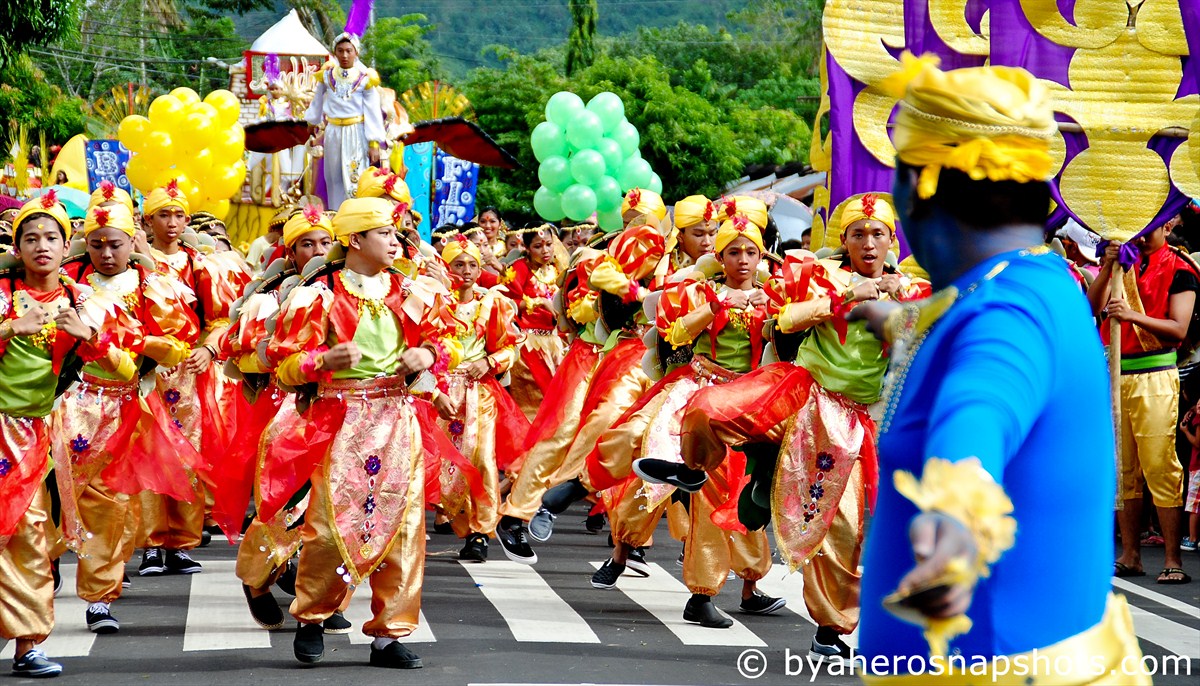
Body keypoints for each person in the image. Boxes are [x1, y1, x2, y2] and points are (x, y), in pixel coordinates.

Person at [846, 54, 1149, 682]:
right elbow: (965, 330)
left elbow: (979, 410)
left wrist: (955, 520)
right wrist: (898, 320)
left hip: (990, 666)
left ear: (919, 185)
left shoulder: (1005, 312)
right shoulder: (1038, 279)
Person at [640, 193, 930, 662]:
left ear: (891, 240)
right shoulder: (819, 274)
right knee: (709, 407)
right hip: (800, 392)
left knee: (842, 530)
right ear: (845, 241)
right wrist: (845, 297)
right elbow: (785, 320)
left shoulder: (914, 290)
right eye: (858, 234)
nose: (868, 243)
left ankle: (829, 631)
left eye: (877, 234)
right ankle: (692, 468)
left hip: (851, 421)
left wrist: (901, 302)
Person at [265, 196, 465, 668]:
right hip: (340, 420)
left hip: (397, 419)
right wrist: (321, 361)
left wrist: (428, 356)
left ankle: (389, 634)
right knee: (329, 526)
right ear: (355, 239)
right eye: (385, 233)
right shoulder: (318, 294)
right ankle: (312, 617)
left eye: (396, 233)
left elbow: (447, 340)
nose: (396, 242)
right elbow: (282, 364)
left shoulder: (411, 290)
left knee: (404, 527)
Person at [590, 214, 781, 626]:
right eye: (733, 252)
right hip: (699, 397)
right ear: (720, 257)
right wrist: (715, 307)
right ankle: (638, 559)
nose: (743, 260)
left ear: (761, 256)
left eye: (750, 252)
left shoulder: (775, 295)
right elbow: (674, 335)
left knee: (745, 491)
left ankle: (749, 586)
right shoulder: (699, 290)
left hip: (750, 403)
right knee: (657, 476)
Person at [56, 202, 202, 635]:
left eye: (115, 244)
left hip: (125, 407)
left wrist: (122, 340)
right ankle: (48, 558)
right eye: (96, 244)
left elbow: (177, 345)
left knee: (111, 504)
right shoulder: (67, 283)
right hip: (68, 402)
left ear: (131, 241)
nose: (106, 253)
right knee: (54, 496)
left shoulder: (152, 286)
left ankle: (100, 596)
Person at [0, 193, 129, 678]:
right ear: (17, 248)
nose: (41, 246)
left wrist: (90, 337)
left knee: (30, 535)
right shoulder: (3, 294)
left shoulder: (82, 301)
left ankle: (27, 644)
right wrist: (10, 328)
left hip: (38, 434)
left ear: (64, 245)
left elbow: (126, 366)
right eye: (30, 238)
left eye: (51, 237)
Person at [138, 179, 251, 576]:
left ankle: (181, 543)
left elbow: (221, 318)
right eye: (163, 215)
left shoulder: (200, 263)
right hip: (148, 370)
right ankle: (151, 544)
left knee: (189, 454)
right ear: (147, 221)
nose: (171, 223)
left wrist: (210, 349)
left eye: (178, 215)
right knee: (151, 454)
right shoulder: (135, 263)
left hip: (188, 371)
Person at [1089, 213, 1196, 585]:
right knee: (1123, 469)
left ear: (1168, 225)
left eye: (1151, 223)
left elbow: (1178, 329)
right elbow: (1092, 308)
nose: (1142, 232)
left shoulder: (1180, 267)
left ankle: (1172, 559)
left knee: (1159, 466)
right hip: (1115, 375)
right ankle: (1130, 555)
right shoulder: (1122, 264)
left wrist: (1131, 314)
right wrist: (1107, 267)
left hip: (1155, 377)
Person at [433, 235, 527, 562]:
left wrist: (489, 362)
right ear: (446, 267)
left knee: (482, 459)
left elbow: (510, 347)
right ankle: (455, 521)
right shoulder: (434, 302)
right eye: (458, 264)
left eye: (472, 265)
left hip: (479, 393)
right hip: (440, 392)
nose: (467, 271)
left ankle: (480, 532)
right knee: (441, 461)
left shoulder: (491, 303)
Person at [305, 33, 386, 208]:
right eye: (340, 50)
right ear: (334, 52)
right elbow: (317, 100)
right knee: (333, 176)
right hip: (333, 131)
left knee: (354, 175)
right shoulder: (326, 76)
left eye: (349, 51)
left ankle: (355, 214)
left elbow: (372, 111)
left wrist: (374, 143)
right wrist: (312, 121)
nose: (344, 55)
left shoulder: (364, 79)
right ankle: (335, 213)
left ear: (356, 53)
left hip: (356, 132)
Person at [500, 225, 566, 421]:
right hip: (529, 345)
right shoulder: (519, 268)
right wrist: (539, 302)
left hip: (555, 342)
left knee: (558, 401)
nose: (545, 250)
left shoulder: (556, 268)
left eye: (548, 244)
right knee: (536, 404)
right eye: (538, 246)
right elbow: (507, 303)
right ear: (527, 248)